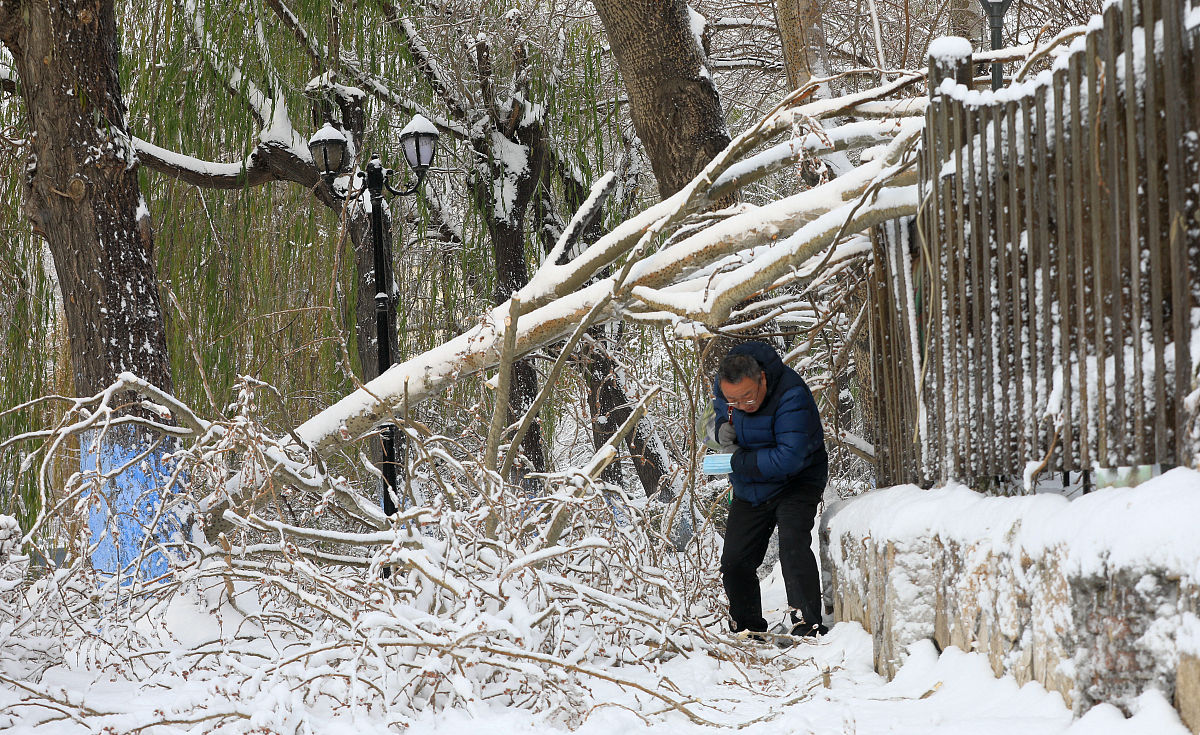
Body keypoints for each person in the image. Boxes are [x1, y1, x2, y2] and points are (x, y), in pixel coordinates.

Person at [706, 340, 828, 638]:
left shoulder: (791, 395)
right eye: (733, 400)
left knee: (792, 545)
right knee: (734, 561)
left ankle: (807, 626)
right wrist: (720, 426)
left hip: (797, 480)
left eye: (748, 397)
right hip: (751, 484)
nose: (742, 405)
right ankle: (748, 631)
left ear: (762, 378)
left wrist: (738, 460)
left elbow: (789, 458)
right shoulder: (726, 389)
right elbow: (716, 413)